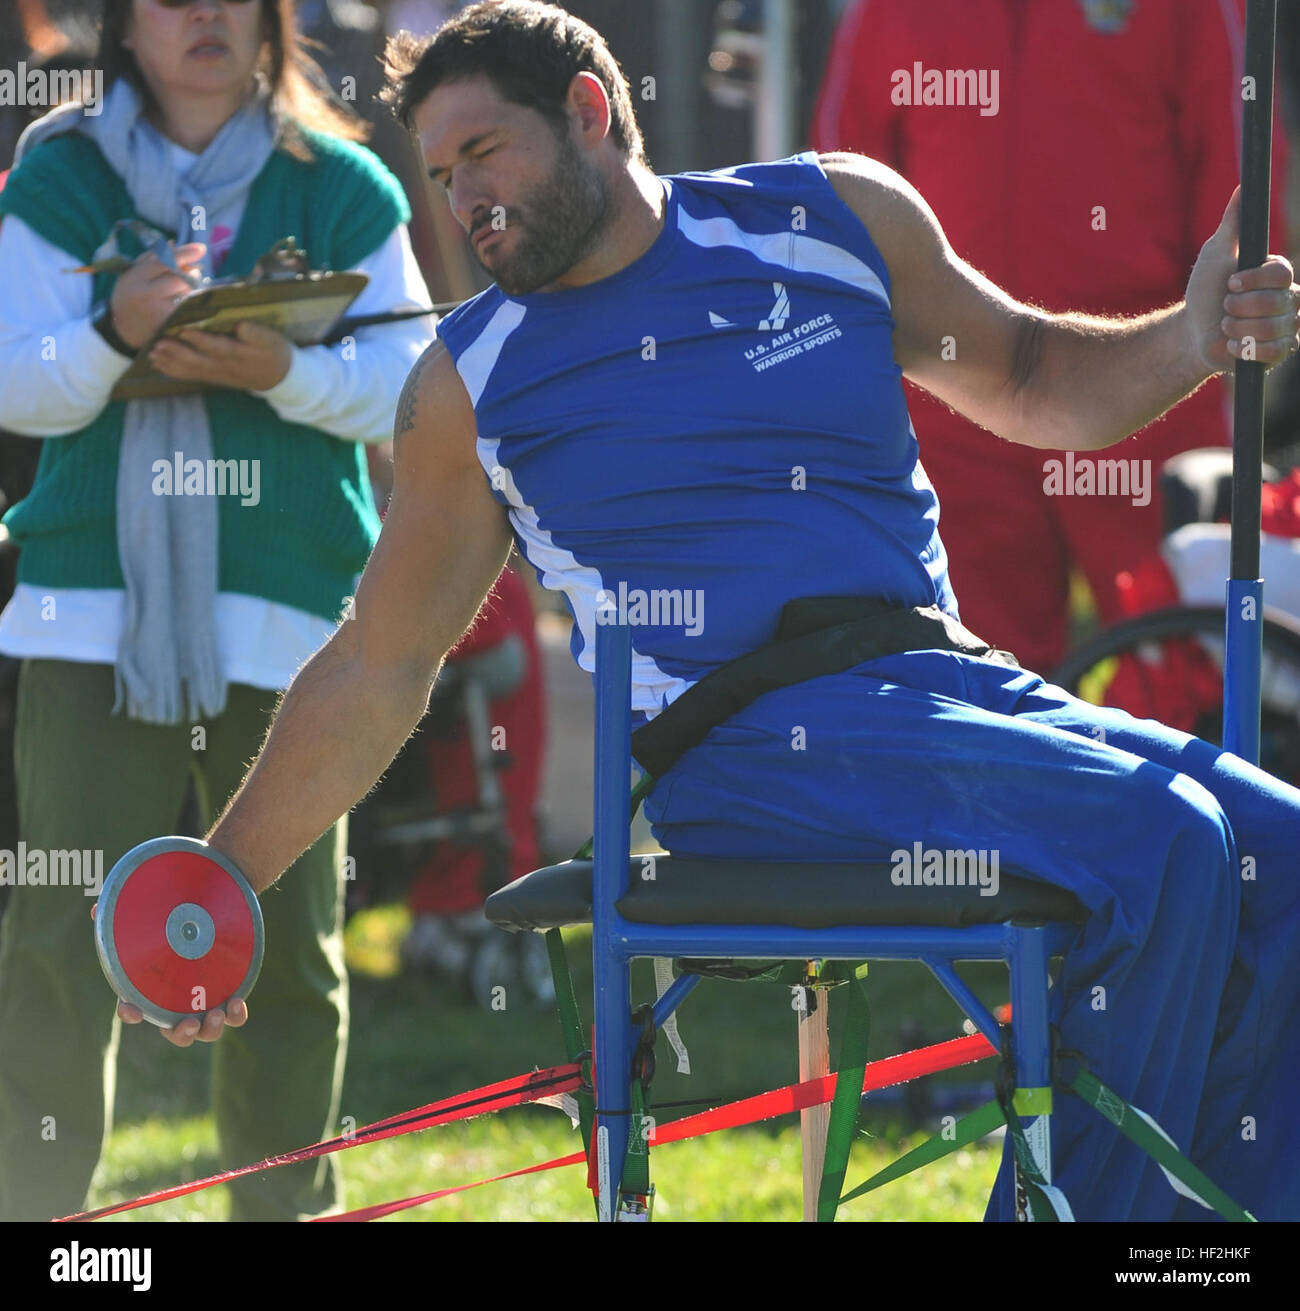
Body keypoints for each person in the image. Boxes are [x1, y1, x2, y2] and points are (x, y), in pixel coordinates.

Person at [129, 0, 1299, 1223]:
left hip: (948, 689)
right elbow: (381, 661)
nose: (463, 198)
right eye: (439, 173)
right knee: (1164, 841)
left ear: (587, 113)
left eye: (486, 153)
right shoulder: (467, 381)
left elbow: (1032, 378)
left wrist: (1194, 335)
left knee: (1281, 854)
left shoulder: (834, 217)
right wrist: (225, 876)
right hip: (741, 749)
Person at [0, 0, 432, 1221]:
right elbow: (11, 381)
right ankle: (38, 1226)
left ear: (270, 25)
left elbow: (415, 389)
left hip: (293, 621)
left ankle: (279, 1214)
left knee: (285, 955)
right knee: (55, 950)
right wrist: (111, 332)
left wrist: (283, 372)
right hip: (91, 618)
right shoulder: (58, 175)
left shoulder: (342, 181)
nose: (205, 16)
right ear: (124, 30)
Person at [810, 0, 1290, 675]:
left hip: (1148, 378)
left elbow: (1240, 158)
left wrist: (1230, 324)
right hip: (953, 396)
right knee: (976, 682)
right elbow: (844, 179)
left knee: (1186, 669)